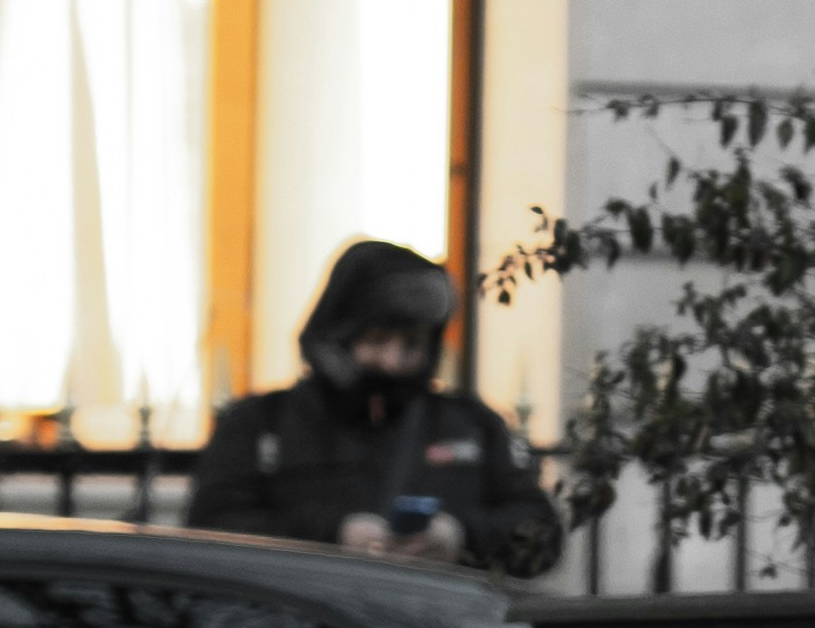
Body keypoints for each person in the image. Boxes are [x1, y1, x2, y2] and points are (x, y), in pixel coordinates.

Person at [183, 243, 562, 574]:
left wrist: (459, 537)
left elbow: (541, 532)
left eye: (412, 345)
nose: (393, 362)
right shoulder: (260, 424)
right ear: (337, 337)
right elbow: (209, 530)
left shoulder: (470, 425)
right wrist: (332, 536)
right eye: (376, 340)